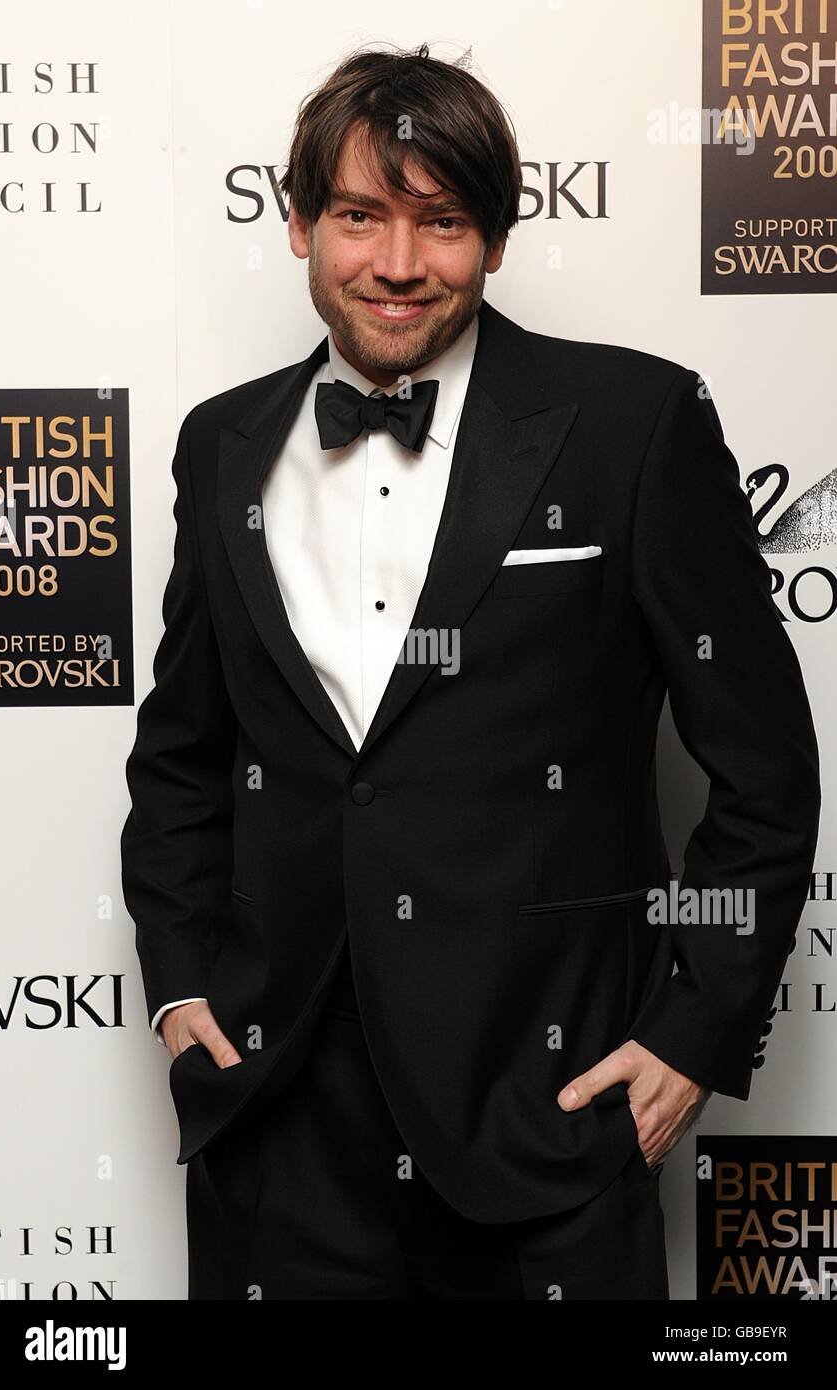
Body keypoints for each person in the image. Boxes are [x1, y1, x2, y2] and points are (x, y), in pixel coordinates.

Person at [120, 43, 821, 1300]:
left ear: (496, 239)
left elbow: (764, 767)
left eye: (441, 222)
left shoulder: (632, 425)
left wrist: (691, 1030)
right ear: (297, 225)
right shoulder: (220, 442)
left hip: (542, 1115)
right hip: (276, 1126)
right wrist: (180, 986)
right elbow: (183, 748)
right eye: (358, 215)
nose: (396, 263)